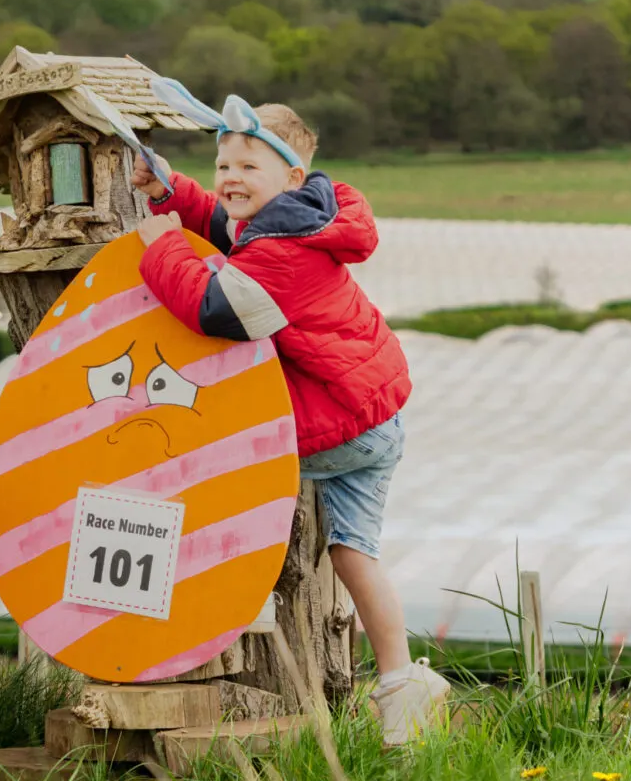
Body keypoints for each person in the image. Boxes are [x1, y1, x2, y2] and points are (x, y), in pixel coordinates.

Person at [131, 94, 450, 747]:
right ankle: (401, 685)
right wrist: (173, 193)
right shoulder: (295, 223)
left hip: (337, 423)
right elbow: (226, 227)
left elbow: (214, 307)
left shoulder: (280, 254)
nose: (231, 179)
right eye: (224, 166)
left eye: (249, 167)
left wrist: (160, 248)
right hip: (375, 419)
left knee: (221, 466)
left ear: (292, 178)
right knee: (354, 553)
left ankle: (236, 598)